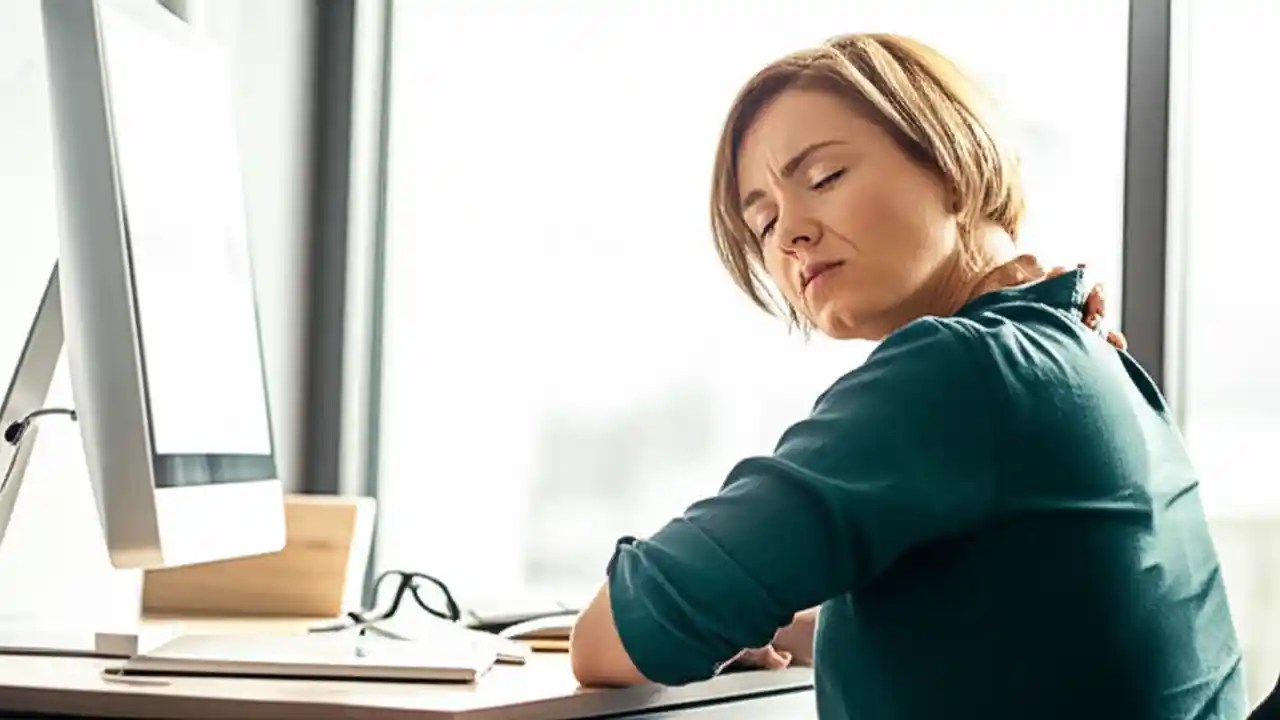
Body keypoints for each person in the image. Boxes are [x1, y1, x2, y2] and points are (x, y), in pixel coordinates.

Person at [568, 32, 1245, 719]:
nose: (790, 233)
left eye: (825, 178)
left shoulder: (956, 372)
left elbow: (612, 637)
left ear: (951, 160)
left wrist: (700, 607)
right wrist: (768, 618)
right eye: (764, 222)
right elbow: (985, 625)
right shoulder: (1086, 355)